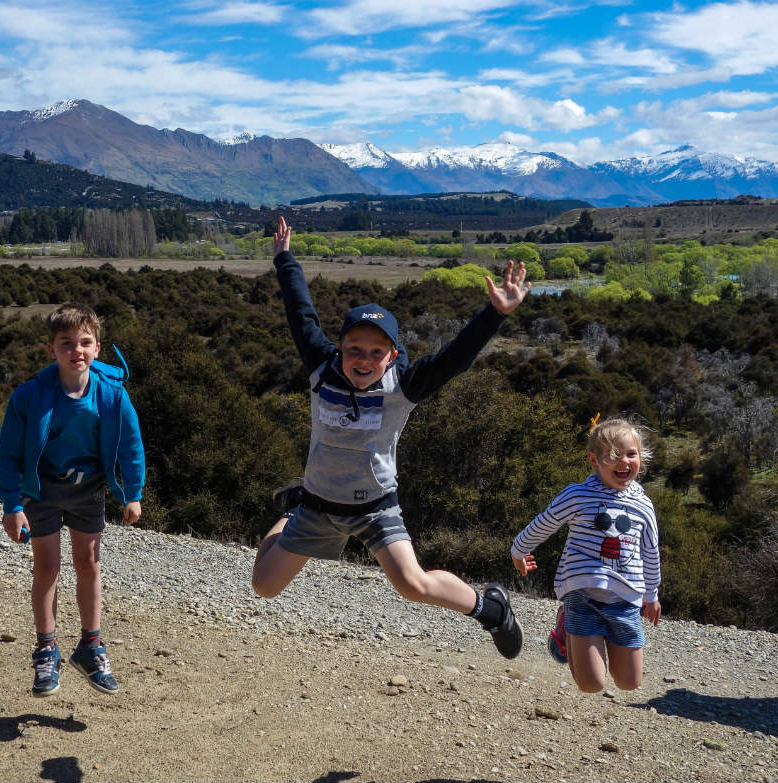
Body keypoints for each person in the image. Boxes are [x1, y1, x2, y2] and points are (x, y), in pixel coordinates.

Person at [252, 216, 529, 659]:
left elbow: (456, 358)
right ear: (339, 347)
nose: (363, 359)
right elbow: (299, 310)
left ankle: (490, 609)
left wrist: (494, 313)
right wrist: (284, 258)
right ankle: (290, 513)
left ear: (392, 356)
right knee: (263, 586)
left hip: (374, 507)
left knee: (412, 585)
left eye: (376, 352)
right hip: (318, 505)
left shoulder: (405, 385)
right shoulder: (322, 367)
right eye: (354, 349)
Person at [0, 303, 145, 697]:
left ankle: (90, 647)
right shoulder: (29, 397)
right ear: (51, 349)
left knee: (89, 564)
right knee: (46, 568)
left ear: (98, 348)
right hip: (40, 492)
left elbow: (131, 447)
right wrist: (13, 506)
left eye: (85, 342)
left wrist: (133, 494)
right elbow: (7, 455)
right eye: (66, 343)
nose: (76, 350)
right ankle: (47, 650)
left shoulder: (113, 395)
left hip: (88, 491)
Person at [511, 417, 661, 692]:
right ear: (594, 460)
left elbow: (650, 551)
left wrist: (651, 594)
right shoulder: (578, 495)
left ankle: (572, 632)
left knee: (630, 682)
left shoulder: (643, 504)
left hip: (626, 600)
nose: (624, 462)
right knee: (591, 684)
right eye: (614, 456)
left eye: (631, 454)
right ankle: (565, 629)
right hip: (582, 595)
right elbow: (545, 522)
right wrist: (519, 550)